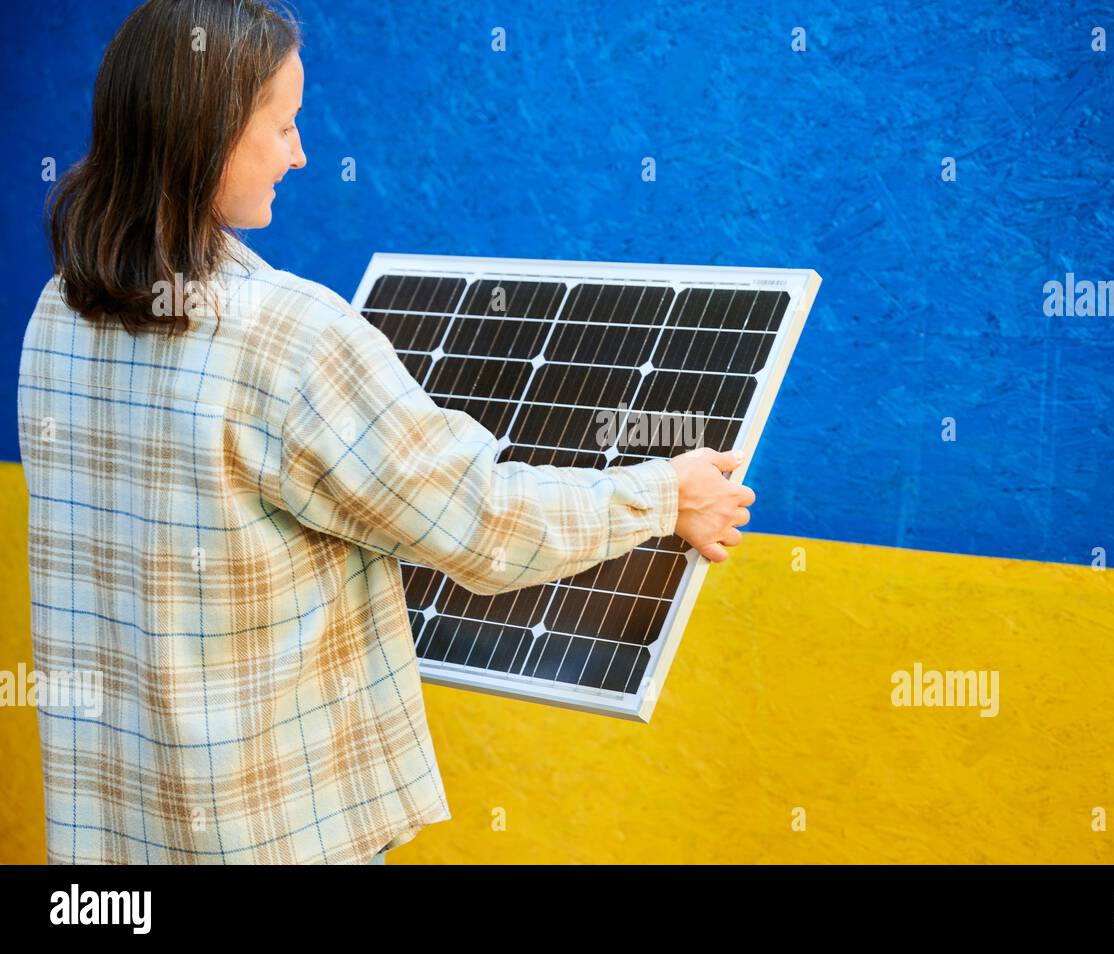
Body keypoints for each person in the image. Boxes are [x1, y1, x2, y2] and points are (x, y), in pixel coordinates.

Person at [19, 0, 753, 865]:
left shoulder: (58, 315)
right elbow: (481, 523)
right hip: (272, 834)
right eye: (284, 124)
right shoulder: (285, 335)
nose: (300, 151)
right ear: (206, 132)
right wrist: (663, 495)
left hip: (115, 840)